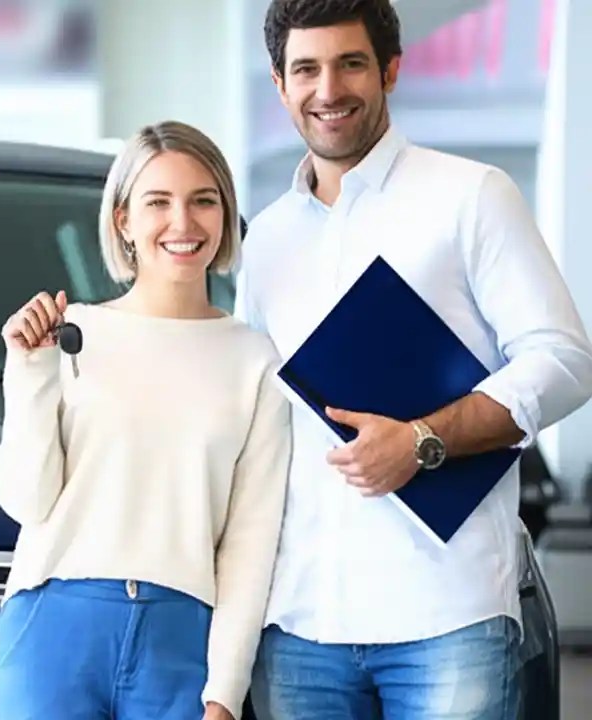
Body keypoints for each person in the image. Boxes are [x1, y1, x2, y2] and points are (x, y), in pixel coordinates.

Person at [236, 1, 592, 718]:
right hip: (300, 621)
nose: (327, 89)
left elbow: (564, 359)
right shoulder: (265, 241)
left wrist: (422, 440)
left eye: (351, 63)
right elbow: (255, 418)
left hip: (446, 615)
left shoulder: (471, 197)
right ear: (280, 84)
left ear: (391, 70)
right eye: (306, 68)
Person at [0, 120, 291, 720]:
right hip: (54, 628)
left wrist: (224, 692)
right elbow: (27, 500)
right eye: (158, 202)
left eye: (203, 201)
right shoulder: (66, 332)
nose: (183, 223)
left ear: (226, 216)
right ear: (123, 219)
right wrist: (29, 369)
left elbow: (250, 543)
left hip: (180, 639)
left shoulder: (256, 360)